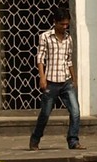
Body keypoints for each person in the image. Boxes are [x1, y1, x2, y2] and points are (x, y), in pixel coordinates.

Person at [29, 9, 80, 150]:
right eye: (62, 24)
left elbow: (69, 59)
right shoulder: (45, 37)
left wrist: (74, 78)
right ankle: (35, 138)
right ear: (55, 22)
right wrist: (42, 77)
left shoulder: (69, 38)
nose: (64, 27)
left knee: (75, 111)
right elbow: (40, 58)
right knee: (45, 113)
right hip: (51, 80)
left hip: (66, 81)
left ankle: (73, 140)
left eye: (67, 24)